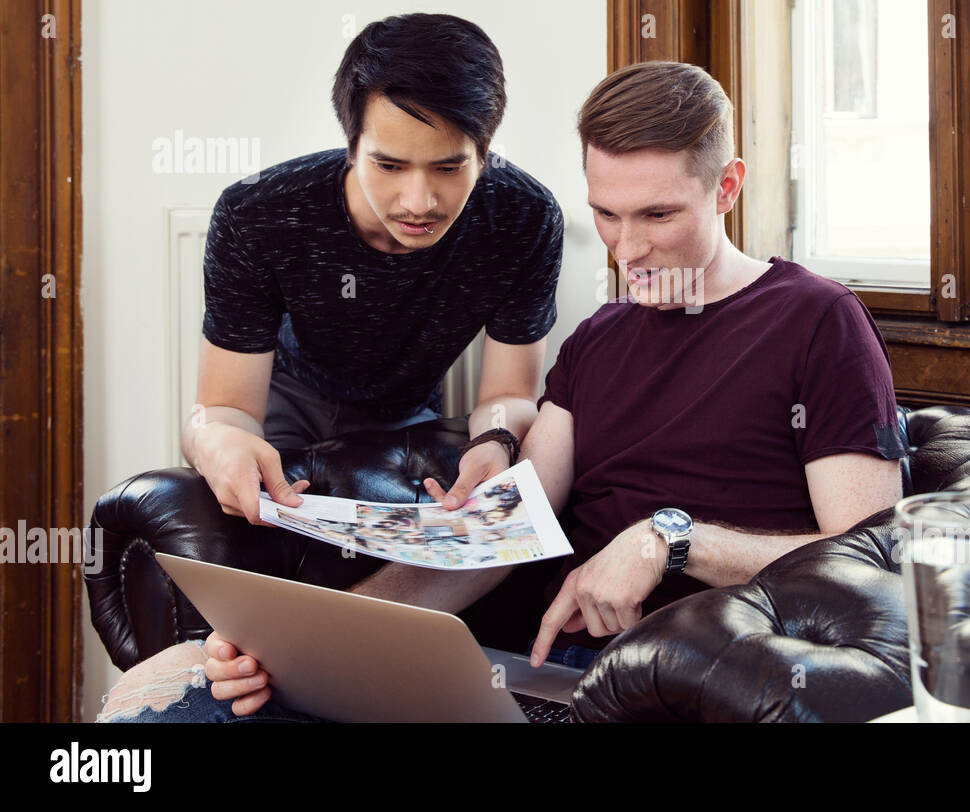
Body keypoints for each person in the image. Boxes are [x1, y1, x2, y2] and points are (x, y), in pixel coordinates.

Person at [97, 60, 903, 723]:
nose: (629, 251)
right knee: (198, 709)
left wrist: (672, 539)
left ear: (727, 187)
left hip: (702, 683)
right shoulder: (599, 340)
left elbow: (872, 562)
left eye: (658, 214)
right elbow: (503, 533)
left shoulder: (815, 320)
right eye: (607, 216)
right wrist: (316, 645)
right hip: (536, 672)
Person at [187, 11, 563, 530]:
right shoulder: (257, 212)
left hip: (408, 413)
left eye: (449, 167)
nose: (419, 201)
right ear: (351, 147)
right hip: (283, 395)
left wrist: (496, 441)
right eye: (388, 166)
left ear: (484, 152)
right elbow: (220, 412)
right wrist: (220, 443)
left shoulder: (525, 218)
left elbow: (508, 396)